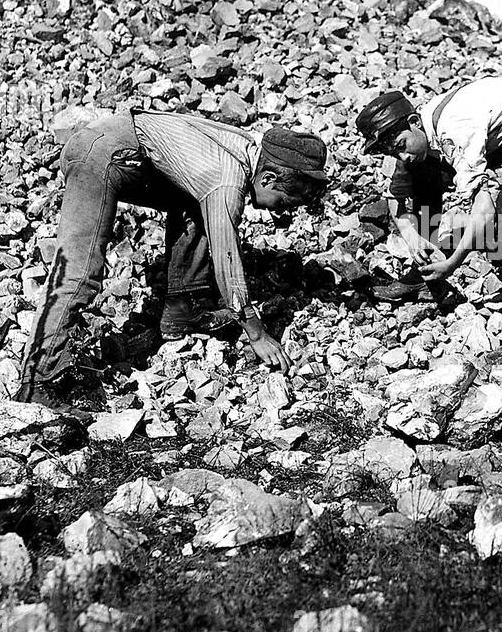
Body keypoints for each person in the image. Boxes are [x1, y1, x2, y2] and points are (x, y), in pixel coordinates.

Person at [17, 108, 328, 409]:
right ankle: (37, 379)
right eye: (286, 203)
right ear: (269, 179)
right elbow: (227, 257)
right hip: (98, 155)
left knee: (199, 204)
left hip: (129, 152)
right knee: (80, 269)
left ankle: (184, 308)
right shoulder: (226, 179)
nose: (282, 212)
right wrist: (256, 333)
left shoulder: (243, 153)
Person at [355, 72, 502, 340]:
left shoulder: (453, 130)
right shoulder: (414, 139)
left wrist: (453, 262)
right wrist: (412, 238)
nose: (402, 156)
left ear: (414, 123)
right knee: (421, 176)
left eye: (401, 146)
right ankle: (425, 272)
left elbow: (485, 211)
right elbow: (395, 198)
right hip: (495, 128)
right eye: (393, 153)